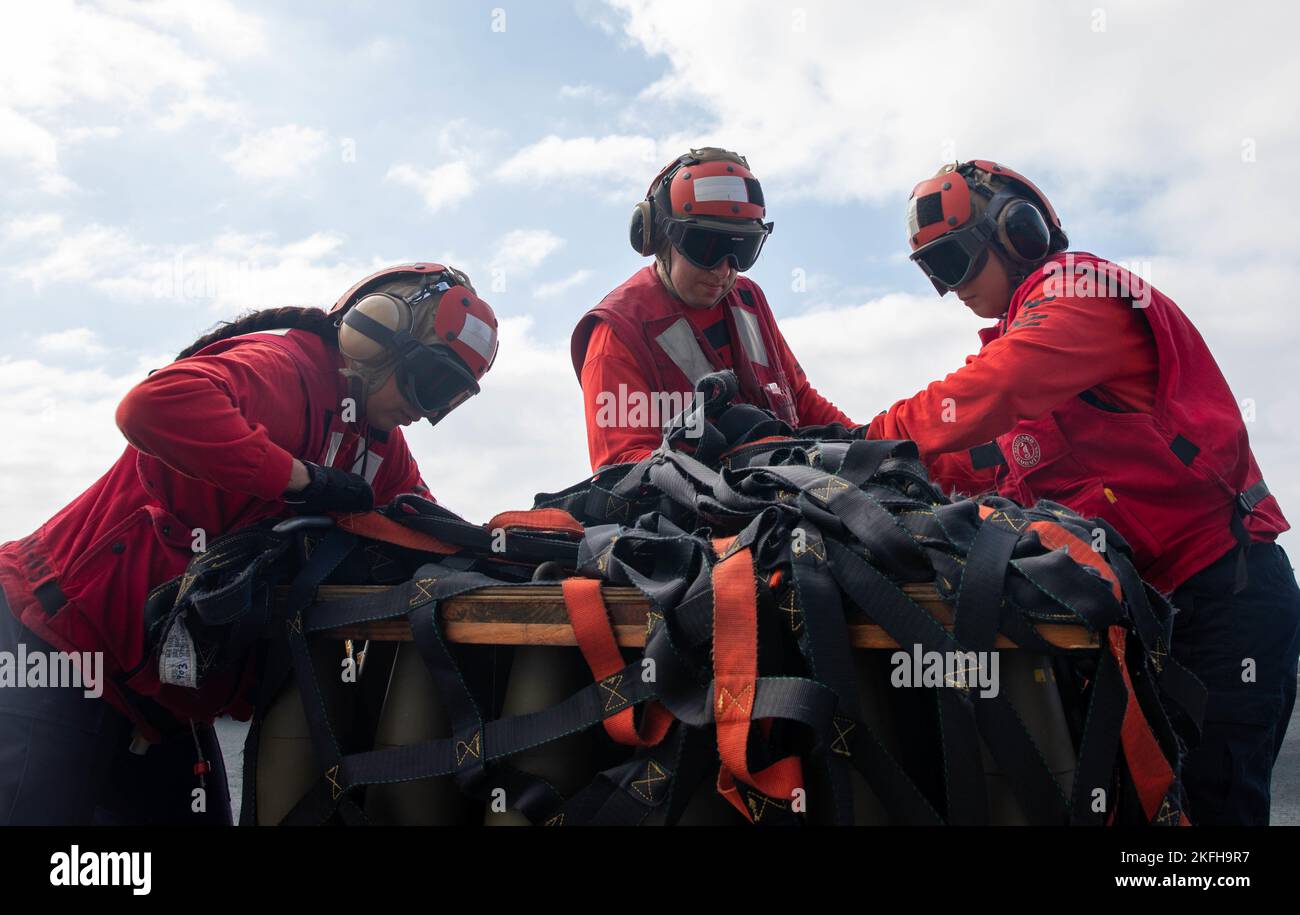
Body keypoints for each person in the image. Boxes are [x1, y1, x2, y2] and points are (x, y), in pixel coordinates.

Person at [865, 158, 1300, 824]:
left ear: (1021, 232)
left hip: (1225, 595)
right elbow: (962, 462)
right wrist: (835, 461)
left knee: (1215, 814)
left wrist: (870, 438)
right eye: (933, 273)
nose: (948, 289)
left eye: (953, 261)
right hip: (1147, 617)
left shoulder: (1077, 292)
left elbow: (992, 389)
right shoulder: (1033, 371)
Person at [0, 262, 498, 825]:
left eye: (448, 400)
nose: (425, 412)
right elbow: (152, 405)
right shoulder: (282, 367)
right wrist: (300, 479)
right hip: (53, 642)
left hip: (157, 696)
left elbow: (426, 527)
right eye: (430, 385)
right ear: (374, 332)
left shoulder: (378, 446)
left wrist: (518, 545)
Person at [571, 147, 854, 470]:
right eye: (706, 248)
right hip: (701, 513)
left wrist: (861, 445)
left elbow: (800, 400)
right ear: (658, 238)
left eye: (741, 251)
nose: (723, 270)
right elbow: (621, 470)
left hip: (788, 497)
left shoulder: (749, 300)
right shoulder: (616, 334)